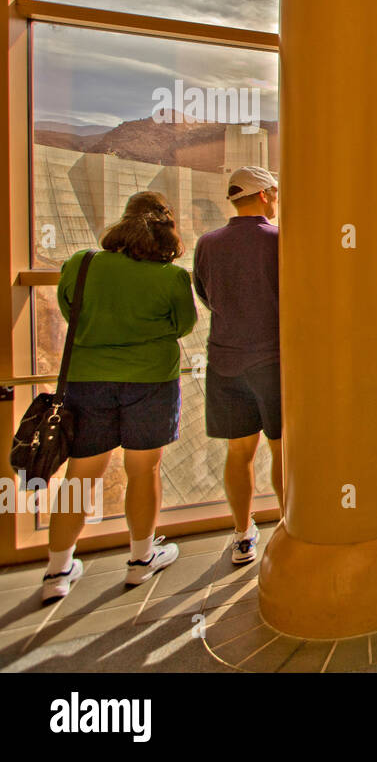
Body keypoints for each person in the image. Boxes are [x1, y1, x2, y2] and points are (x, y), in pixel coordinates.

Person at [40, 192, 197, 603]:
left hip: (87, 380)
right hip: (151, 382)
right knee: (143, 470)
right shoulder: (171, 276)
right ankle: (141, 560)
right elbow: (183, 326)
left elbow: (68, 306)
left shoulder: (82, 263)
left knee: (81, 473)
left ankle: (58, 569)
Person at [193, 165, 283, 566]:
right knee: (282, 448)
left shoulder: (207, 243)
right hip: (272, 359)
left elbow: (206, 295)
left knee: (239, 452)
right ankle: (289, 524)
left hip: (224, 359)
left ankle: (243, 534)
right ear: (264, 195)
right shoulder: (279, 241)